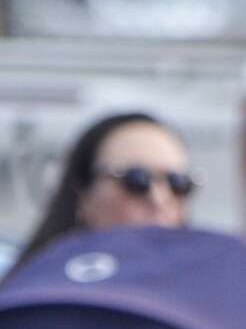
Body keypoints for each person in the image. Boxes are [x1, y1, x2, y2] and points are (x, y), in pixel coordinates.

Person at [9, 111, 196, 273]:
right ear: (83, 194)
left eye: (178, 183)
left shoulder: (206, 294)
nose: (159, 199)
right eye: (136, 180)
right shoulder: (36, 294)